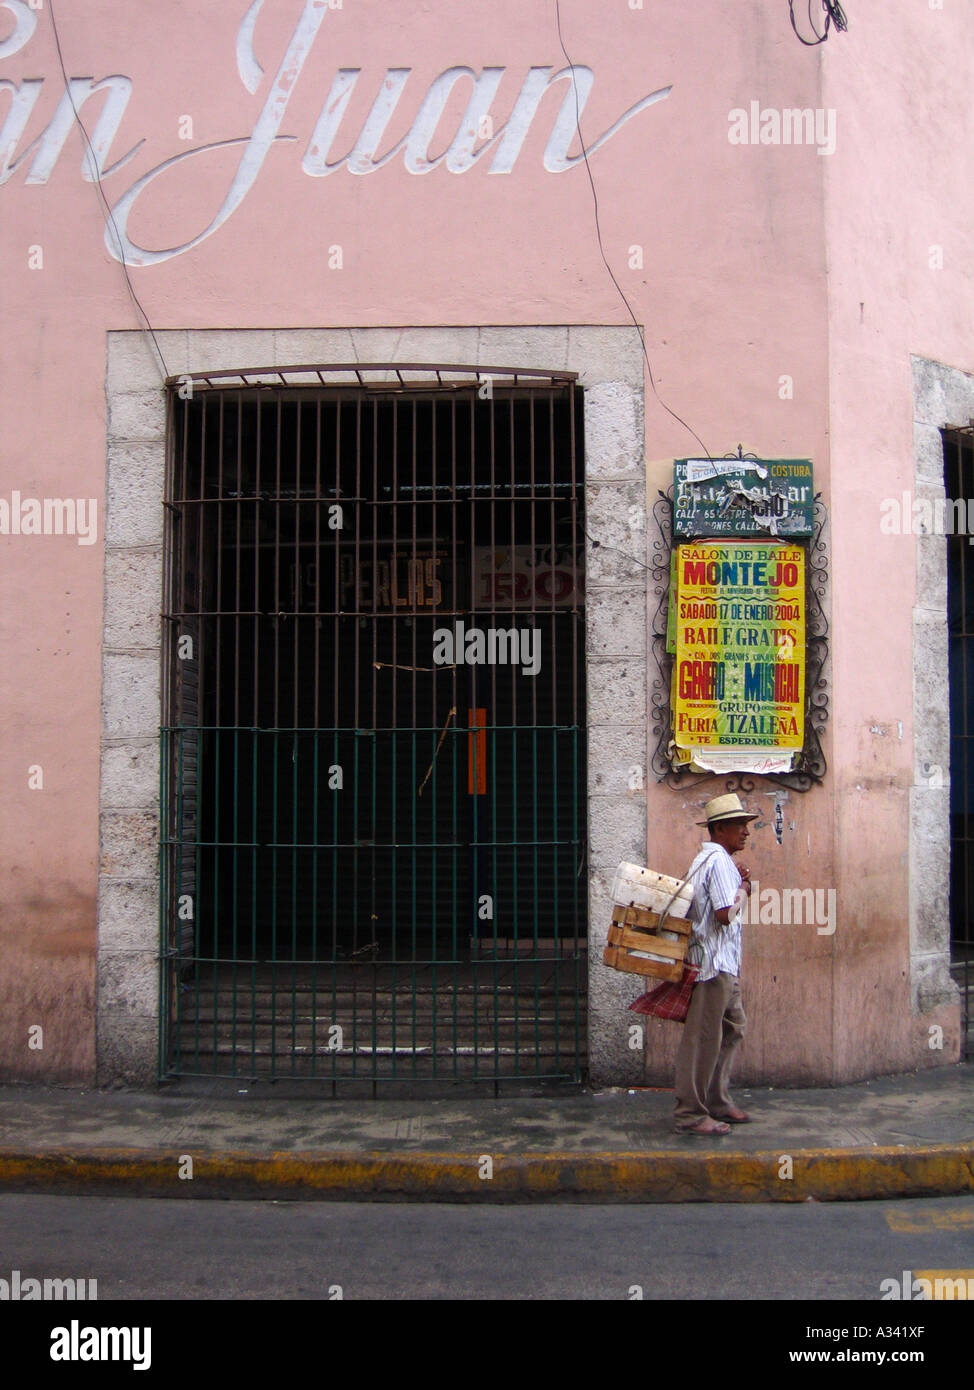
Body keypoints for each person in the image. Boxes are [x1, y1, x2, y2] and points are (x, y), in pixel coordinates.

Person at [673, 793, 758, 1136]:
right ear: (720, 828)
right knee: (705, 1037)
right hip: (713, 967)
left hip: (720, 963)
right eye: (740, 825)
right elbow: (725, 915)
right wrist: (745, 890)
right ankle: (691, 1114)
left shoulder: (704, 860)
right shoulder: (719, 862)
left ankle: (716, 1100)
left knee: (734, 1025)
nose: (746, 832)